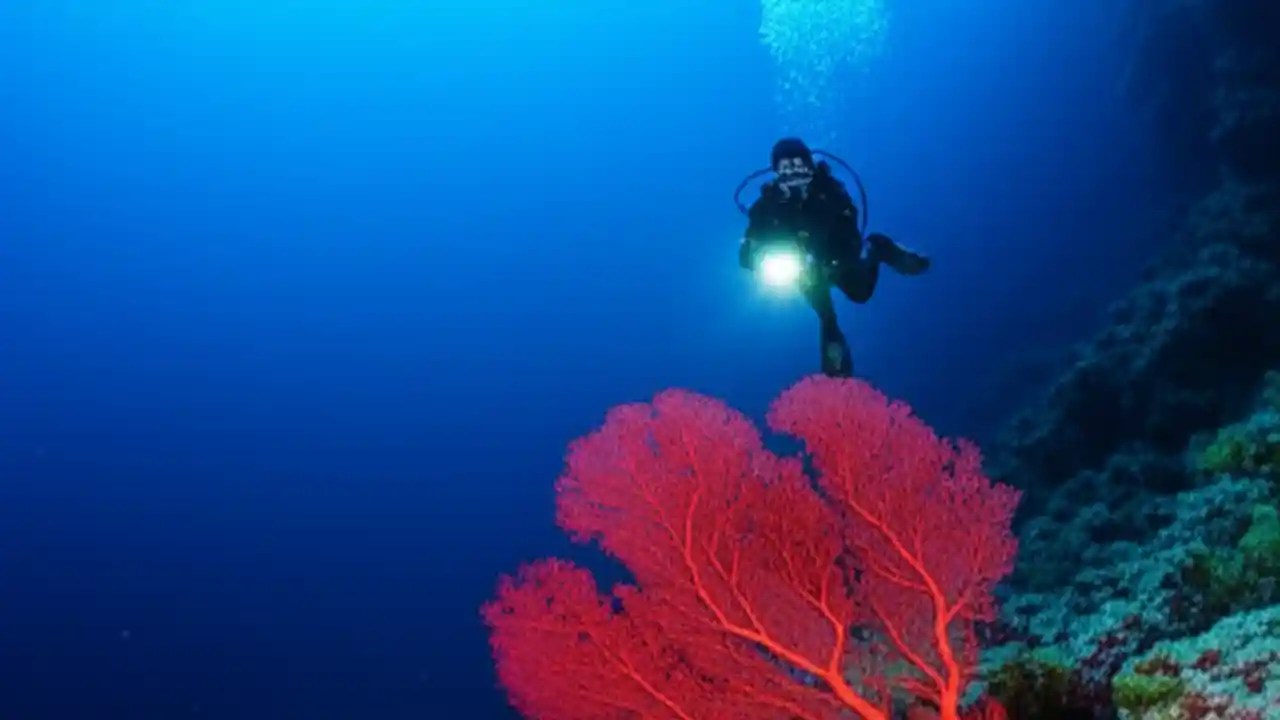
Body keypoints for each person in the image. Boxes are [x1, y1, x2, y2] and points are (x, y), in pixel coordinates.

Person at [738, 137, 930, 377]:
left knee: (860, 294)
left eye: (799, 164)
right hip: (800, 270)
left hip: (837, 259)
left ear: (809, 165)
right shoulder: (765, 207)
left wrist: (832, 260)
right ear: (776, 171)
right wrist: (755, 254)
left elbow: (848, 231)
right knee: (824, 311)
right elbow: (747, 253)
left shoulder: (830, 191)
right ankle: (836, 358)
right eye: (785, 167)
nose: (793, 172)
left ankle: (879, 247)